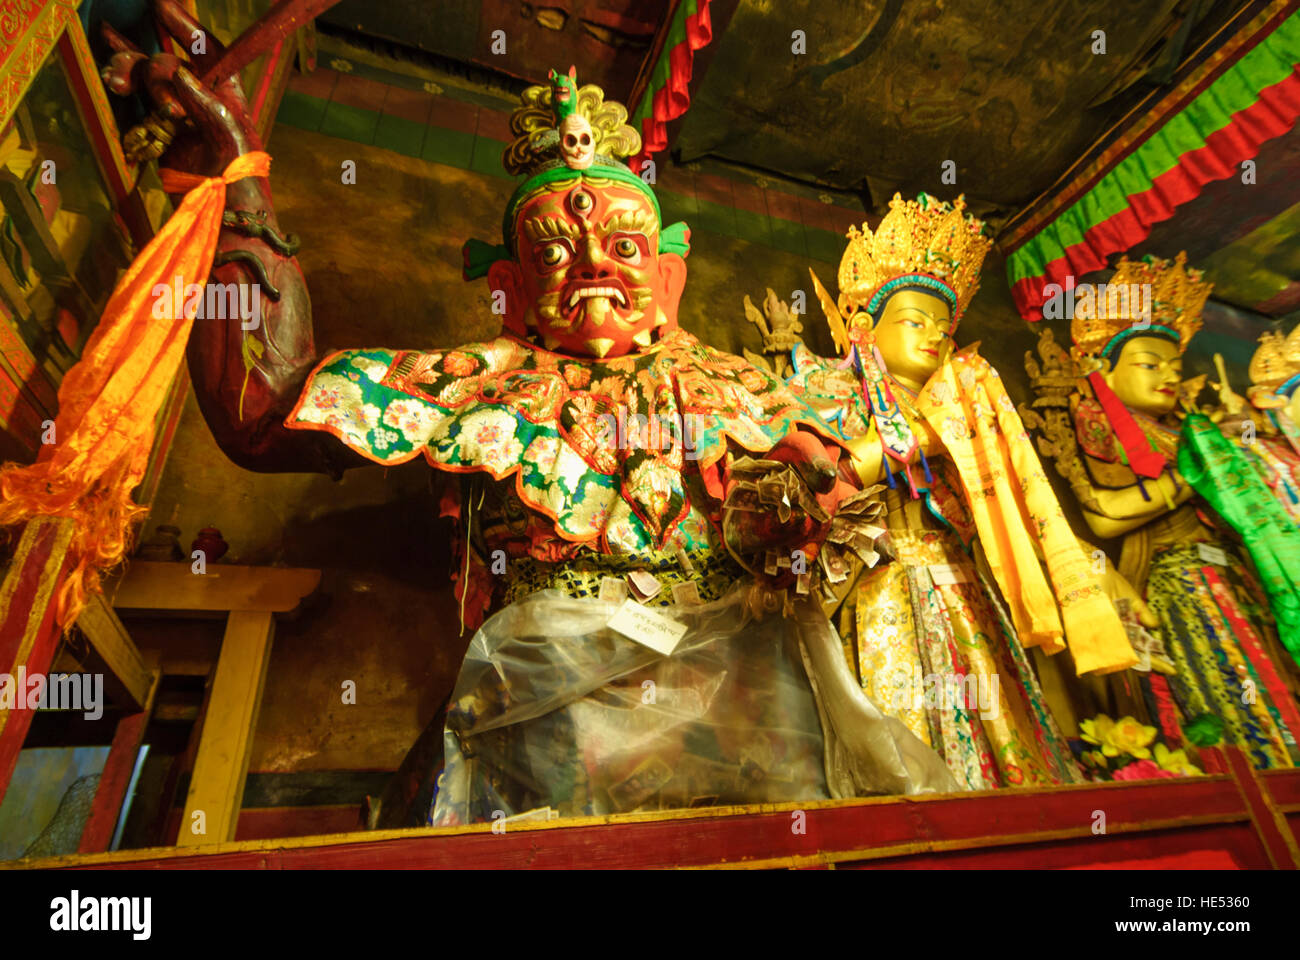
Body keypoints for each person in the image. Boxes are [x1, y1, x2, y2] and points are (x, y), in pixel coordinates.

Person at [100, 8, 956, 826]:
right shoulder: (472, 384)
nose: (590, 263)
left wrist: (840, 475)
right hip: (547, 725)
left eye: (623, 247)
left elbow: (806, 515)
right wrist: (240, 178)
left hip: (745, 725)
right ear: (509, 289)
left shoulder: (749, 393)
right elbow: (261, 411)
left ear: (667, 281)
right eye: (552, 250)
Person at [781, 193, 1142, 790]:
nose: (931, 335)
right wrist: (919, 433)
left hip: (967, 580)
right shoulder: (835, 389)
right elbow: (824, 483)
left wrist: (949, 421)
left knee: (1006, 730)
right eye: (913, 320)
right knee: (906, 741)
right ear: (867, 326)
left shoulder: (970, 398)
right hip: (883, 581)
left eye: (940, 324)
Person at [1026, 253, 1299, 770]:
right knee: (1234, 699)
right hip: (1182, 578)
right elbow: (1104, 516)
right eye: (1150, 364)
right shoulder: (1099, 418)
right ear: (1102, 367)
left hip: (1237, 574)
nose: (1168, 375)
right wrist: (1192, 476)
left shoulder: (1186, 429)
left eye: (1174, 365)